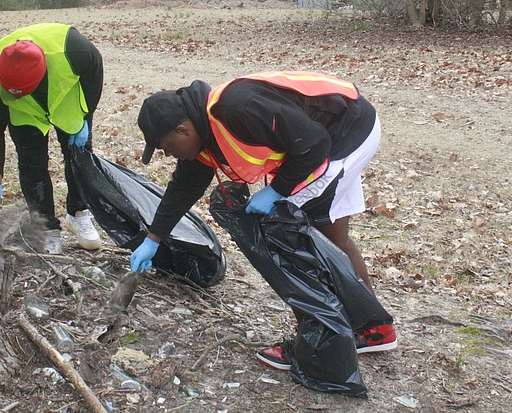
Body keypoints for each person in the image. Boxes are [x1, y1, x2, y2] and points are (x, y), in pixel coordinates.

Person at [133, 71, 397, 371]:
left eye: (167, 148)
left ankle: (316, 345)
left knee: (288, 240)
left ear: (183, 130)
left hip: (345, 133)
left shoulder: (237, 109)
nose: (169, 155)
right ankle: (374, 330)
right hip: (337, 133)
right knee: (331, 237)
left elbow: (313, 144)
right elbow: (182, 190)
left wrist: (277, 191)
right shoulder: (202, 135)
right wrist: (153, 239)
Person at [0, 22, 103, 251]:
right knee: (31, 163)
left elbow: (94, 71)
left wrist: (86, 116)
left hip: (65, 98)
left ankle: (78, 213)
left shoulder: (75, 50)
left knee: (79, 155)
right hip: (25, 114)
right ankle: (46, 227)